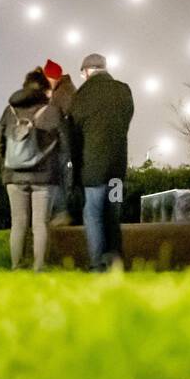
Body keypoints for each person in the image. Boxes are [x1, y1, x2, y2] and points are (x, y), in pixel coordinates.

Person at [0, 68, 71, 271]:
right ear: (45, 89)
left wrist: (9, 162)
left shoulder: (10, 111)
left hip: (14, 176)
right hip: (45, 178)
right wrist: (56, 165)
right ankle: (39, 267)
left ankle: (16, 265)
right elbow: (66, 145)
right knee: (40, 224)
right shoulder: (52, 111)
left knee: (18, 223)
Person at [69, 52, 134, 271]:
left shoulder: (81, 95)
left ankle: (97, 265)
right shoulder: (123, 90)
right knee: (113, 216)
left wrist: (75, 173)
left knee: (93, 215)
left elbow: (74, 135)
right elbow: (126, 120)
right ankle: (116, 263)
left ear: (86, 71)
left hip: (93, 171)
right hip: (117, 171)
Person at [43, 58, 76, 224]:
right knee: (62, 179)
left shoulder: (63, 93)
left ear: (53, 78)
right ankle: (62, 213)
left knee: (59, 179)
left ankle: (62, 213)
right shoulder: (65, 90)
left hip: (63, 145)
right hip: (64, 144)